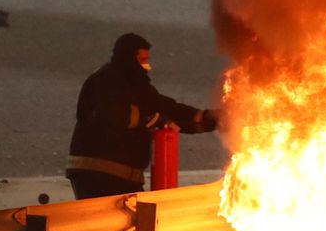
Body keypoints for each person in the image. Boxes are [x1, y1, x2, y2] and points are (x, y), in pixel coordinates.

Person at [66, 32, 220, 199]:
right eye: (142, 60)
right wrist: (152, 119)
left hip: (125, 178)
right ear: (128, 58)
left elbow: (165, 107)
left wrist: (203, 118)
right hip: (96, 176)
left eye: (147, 60)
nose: (146, 66)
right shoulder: (104, 80)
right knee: (105, 222)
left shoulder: (137, 84)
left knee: (137, 221)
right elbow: (113, 114)